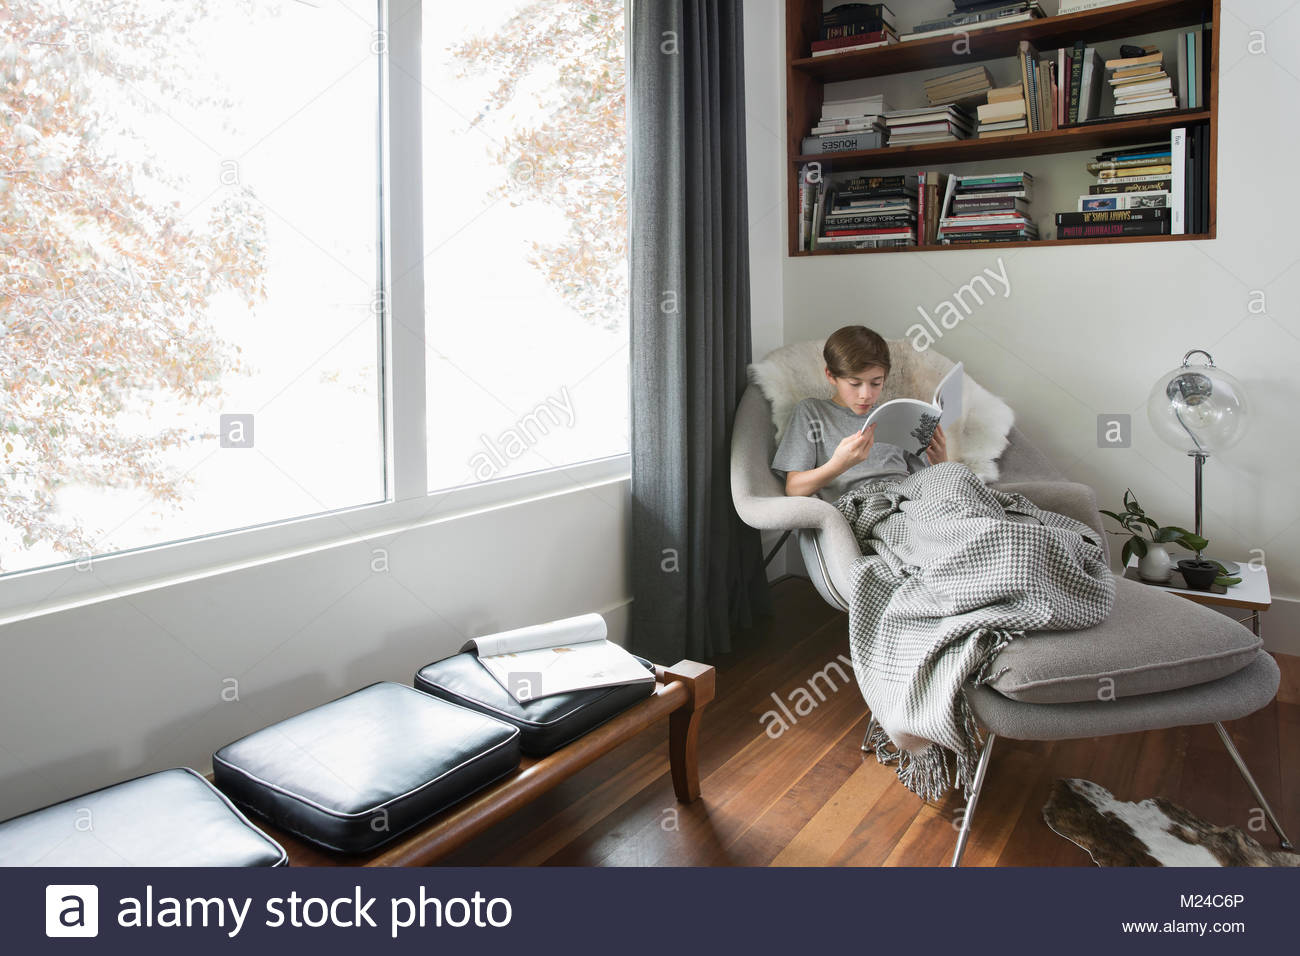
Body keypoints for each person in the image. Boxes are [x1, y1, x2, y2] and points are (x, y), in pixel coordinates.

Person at [771, 325, 947, 502]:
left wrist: (940, 461)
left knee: (957, 473)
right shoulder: (812, 412)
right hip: (860, 505)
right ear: (831, 376)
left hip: (905, 501)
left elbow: (931, 487)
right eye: (855, 383)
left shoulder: (898, 414)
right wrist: (839, 464)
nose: (866, 395)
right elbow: (794, 488)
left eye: (876, 383)